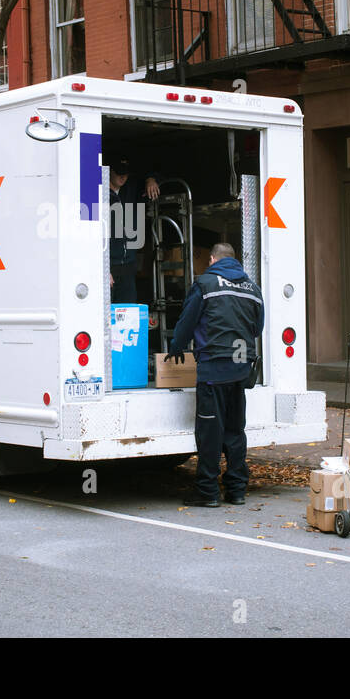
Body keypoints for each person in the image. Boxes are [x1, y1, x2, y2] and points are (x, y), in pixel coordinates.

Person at [166, 242, 264, 507]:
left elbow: (188, 321)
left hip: (213, 369)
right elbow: (257, 327)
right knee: (235, 431)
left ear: (212, 260)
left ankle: (208, 491)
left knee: (210, 431)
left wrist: (176, 346)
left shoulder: (205, 285)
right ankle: (237, 490)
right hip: (241, 369)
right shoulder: (252, 289)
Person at [107, 155, 159, 304]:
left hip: (128, 263)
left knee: (128, 311)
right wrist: (100, 268)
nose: (123, 177)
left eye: (126, 173)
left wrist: (151, 179)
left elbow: (154, 171)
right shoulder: (99, 193)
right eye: (118, 172)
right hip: (108, 263)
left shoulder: (131, 188)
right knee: (104, 313)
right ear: (109, 171)